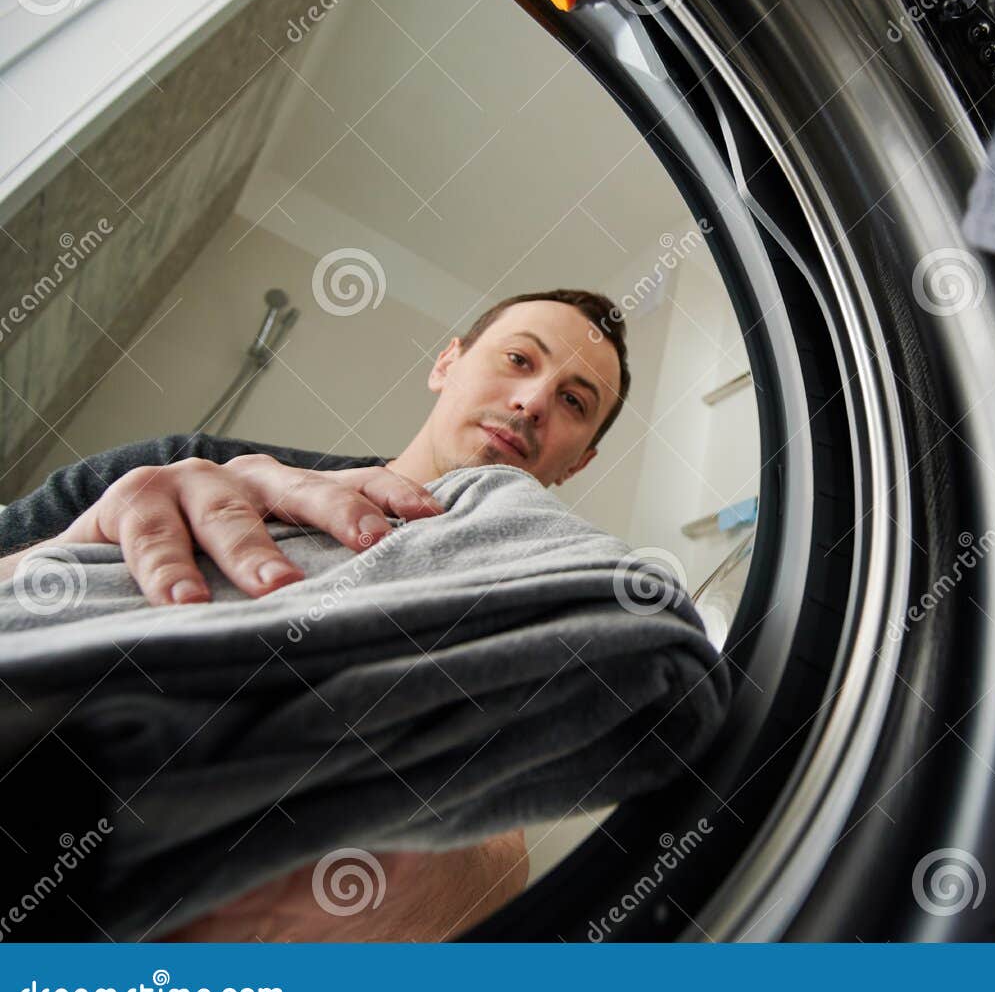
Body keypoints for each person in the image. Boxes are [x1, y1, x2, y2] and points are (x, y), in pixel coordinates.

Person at [0, 288, 631, 941]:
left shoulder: (513, 638)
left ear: (578, 462)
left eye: (574, 401)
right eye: (520, 359)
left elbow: (482, 873)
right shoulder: (180, 467)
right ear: (447, 362)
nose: (533, 401)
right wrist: (70, 549)